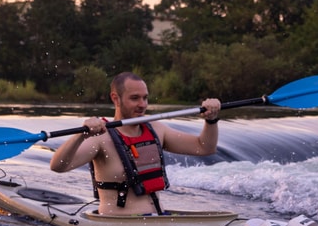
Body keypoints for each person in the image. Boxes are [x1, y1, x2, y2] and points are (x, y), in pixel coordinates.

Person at [49, 72, 221, 215]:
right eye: (135, 98)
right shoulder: (100, 137)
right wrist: (81, 135)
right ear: (116, 99)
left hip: (158, 219)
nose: (142, 105)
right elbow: (58, 166)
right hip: (118, 225)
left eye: (145, 98)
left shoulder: (156, 129)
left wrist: (211, 120)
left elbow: (204, 147)